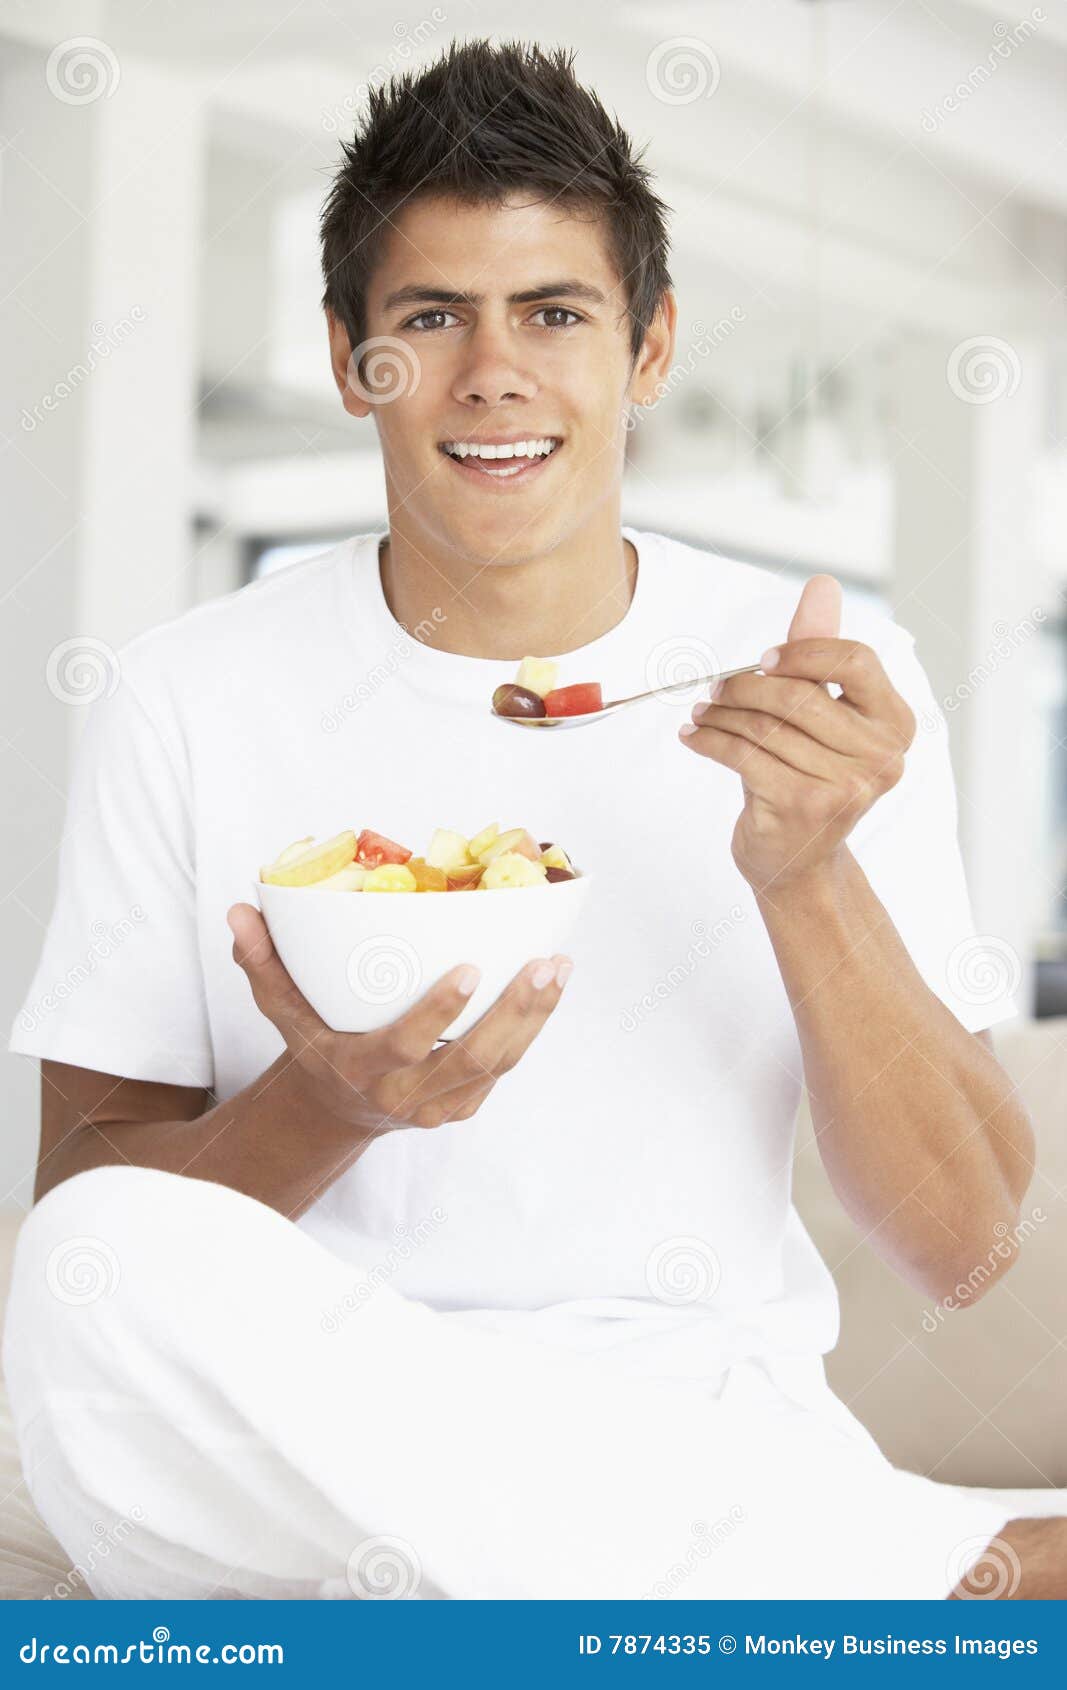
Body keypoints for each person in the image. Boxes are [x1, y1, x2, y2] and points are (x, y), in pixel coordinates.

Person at [4, 39, 1058, 1601]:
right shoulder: (184, 693)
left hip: (694, 1417)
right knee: (78, 1275)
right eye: (431, 318)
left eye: (555, 313)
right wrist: (332, 1102)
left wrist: (807, 871)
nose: (494, 372)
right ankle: (940, 1572)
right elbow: (84, 1215)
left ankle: (665, 1566)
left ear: (649, 349)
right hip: (300, 1430)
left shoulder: (820, 679)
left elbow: (965, 1248)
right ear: (351, 355)